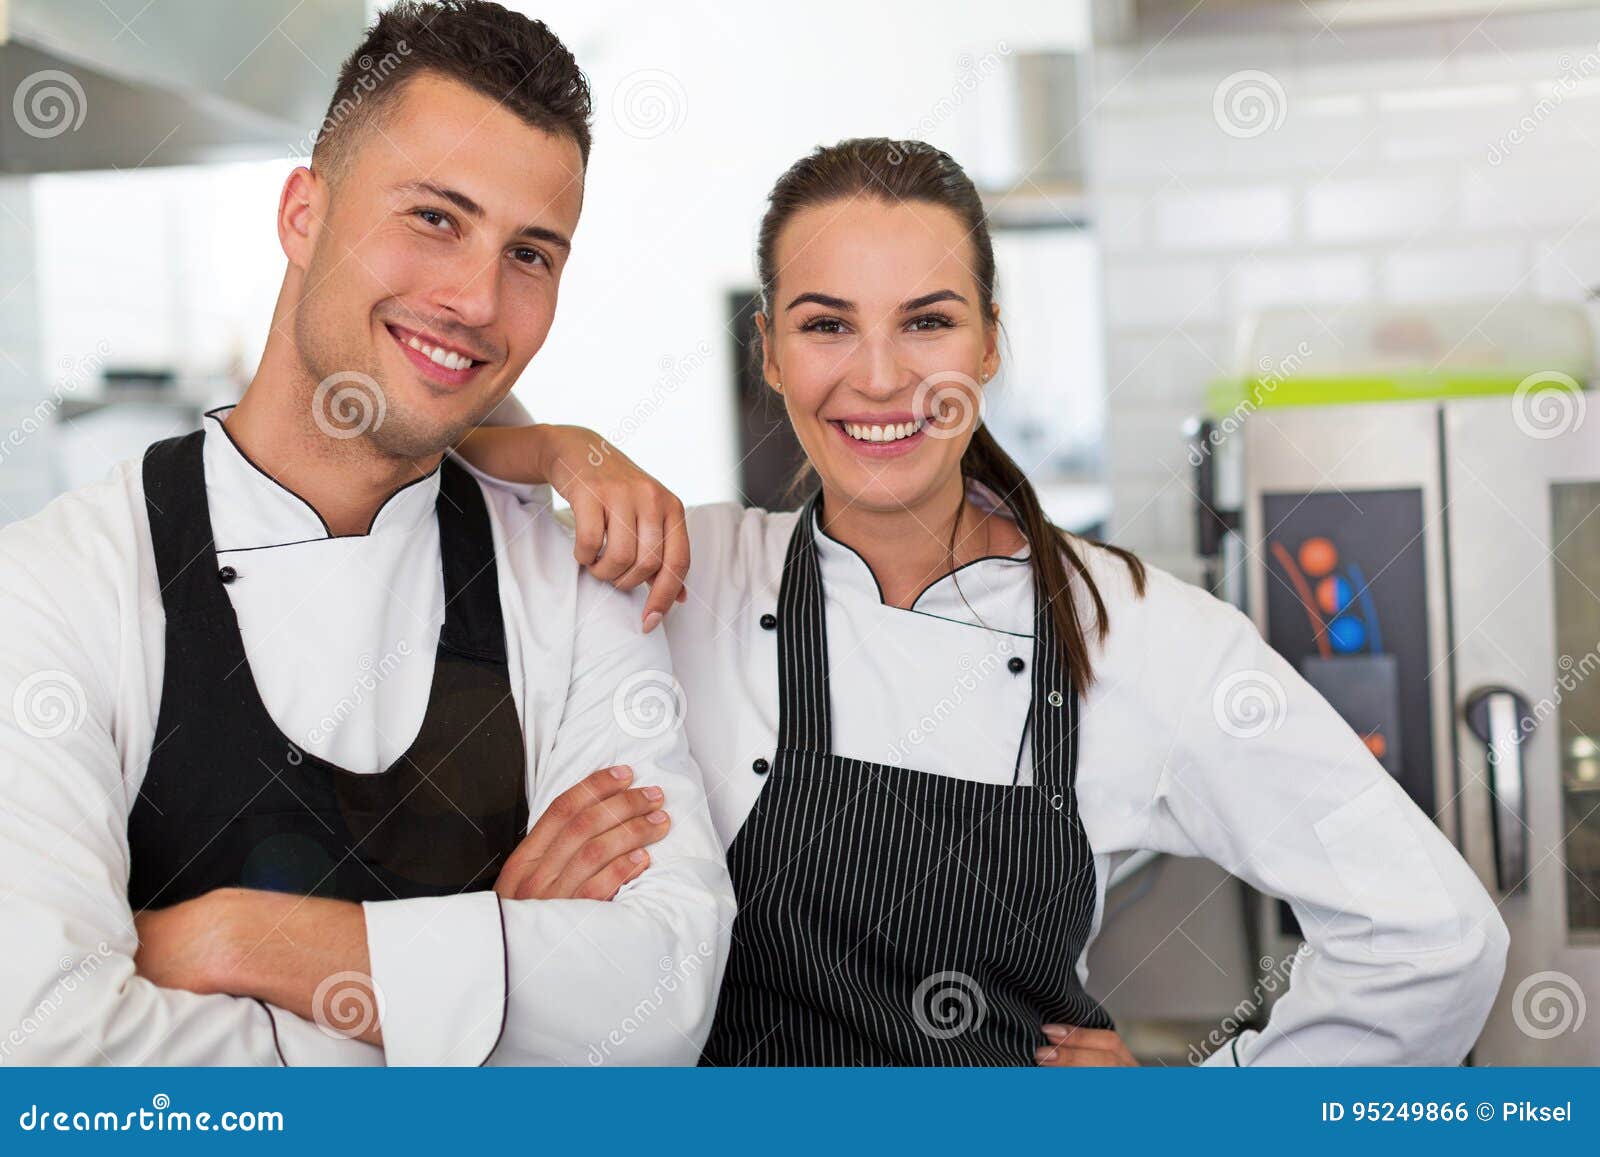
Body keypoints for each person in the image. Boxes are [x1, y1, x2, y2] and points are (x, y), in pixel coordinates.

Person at [459, 138, 1511, 1066]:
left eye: (927, 322)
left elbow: (1435, 936)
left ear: (989, 343)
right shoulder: (688, 576)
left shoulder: (1135, 630)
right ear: (769, 352)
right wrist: (565, 446)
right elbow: (405, 456)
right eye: (828, 325)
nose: (879, 377)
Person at [0, 1, 732, 1066]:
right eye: (435, 217)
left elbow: (659, 1000)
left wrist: (239, 938)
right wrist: (480, 987)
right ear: (304, 212)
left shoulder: (578, 585)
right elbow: (50, 1055)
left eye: (529, 253)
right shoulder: (54, 589)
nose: (476, 298)